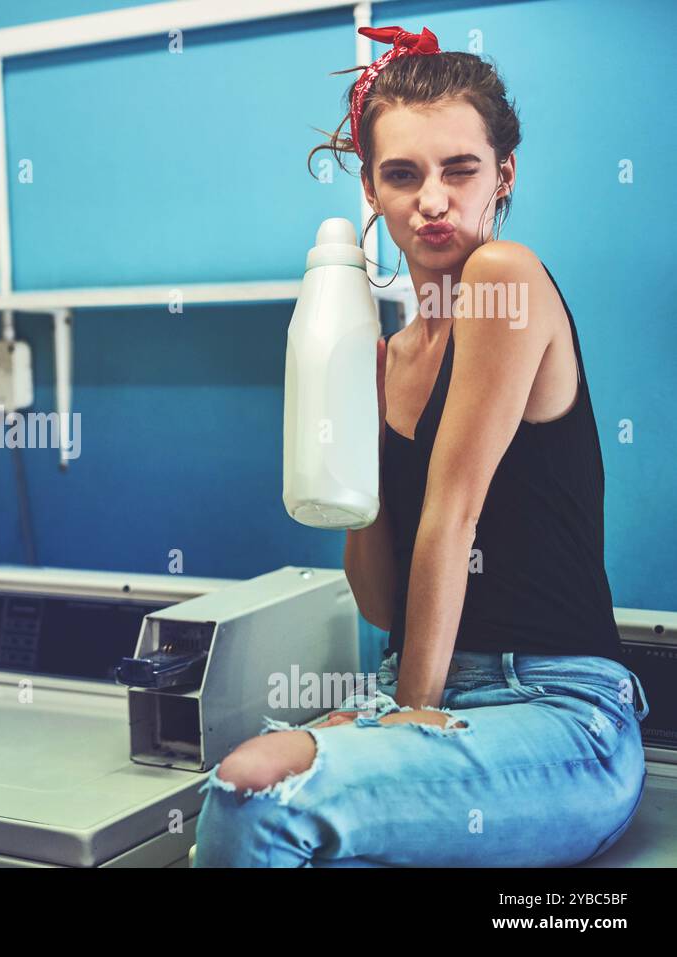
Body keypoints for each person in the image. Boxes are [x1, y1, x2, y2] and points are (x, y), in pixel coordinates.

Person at [194, 25, 649, 867]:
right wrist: (345, 459)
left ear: (503, 174)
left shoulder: (503, 276)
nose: (431, 199)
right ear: (370, 187)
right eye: (402, 174)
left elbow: (454, 516)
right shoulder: (384, 354)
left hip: (554, 705)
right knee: (224, 783)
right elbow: (379, 604)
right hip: (415, 672)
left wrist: (408, 712)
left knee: (257, 794)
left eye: (460, 169)